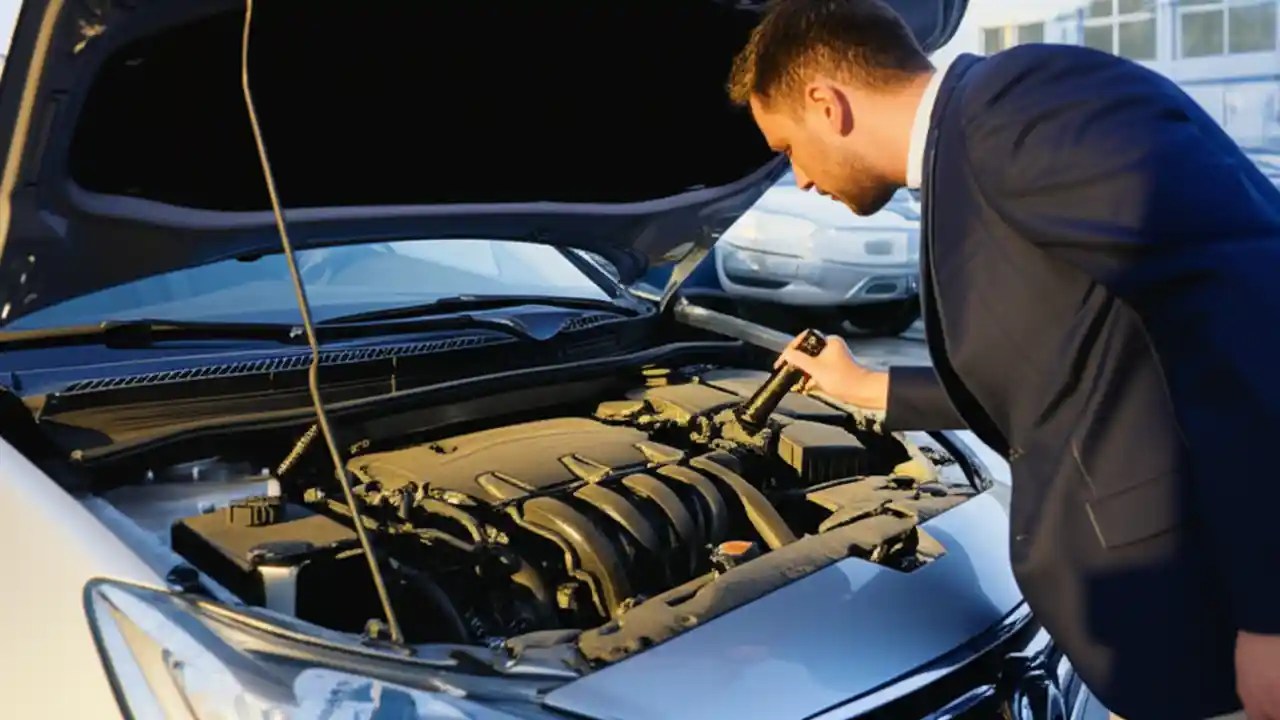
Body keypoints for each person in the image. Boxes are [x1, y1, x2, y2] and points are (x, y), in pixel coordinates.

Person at [727, 1, 1280, 719]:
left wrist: (1269, 612)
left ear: (826, 105)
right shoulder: (967, 149)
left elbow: (1246, 316)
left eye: (788, 149)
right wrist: (867, 387)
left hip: (1208, 638)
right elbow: (1061, 371)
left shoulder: (1019, 108)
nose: (798, 179)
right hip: (1147, 641)